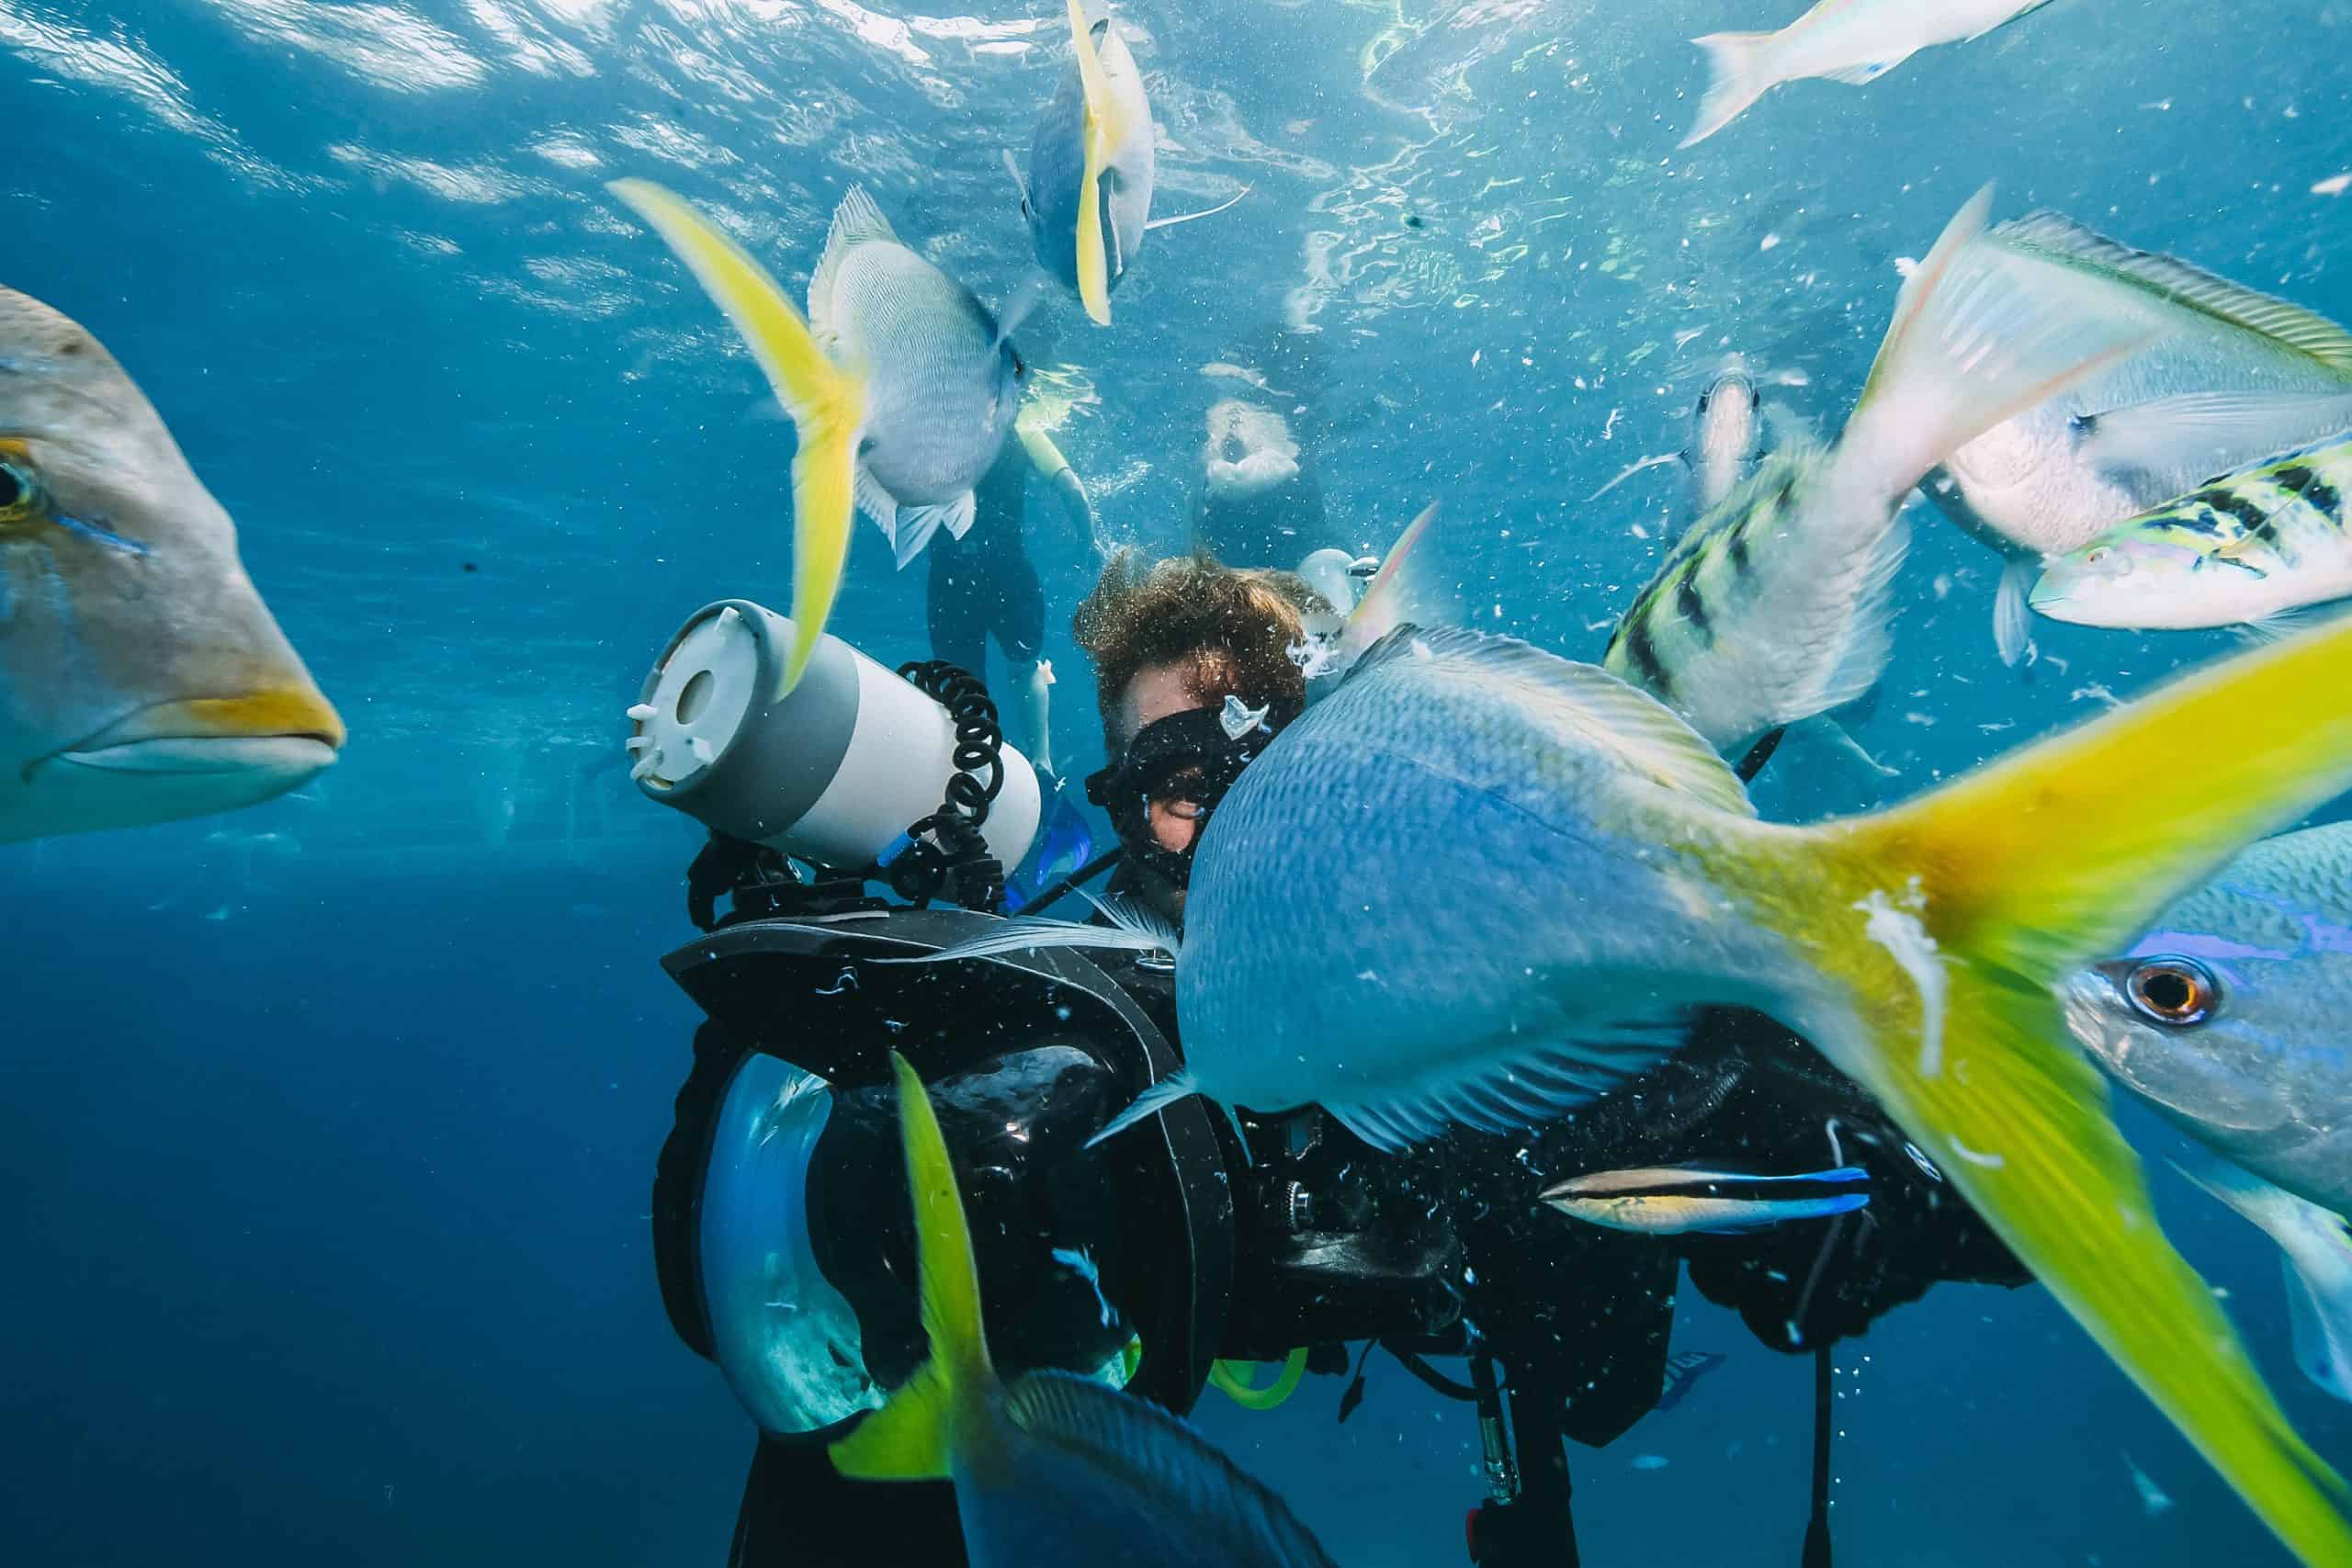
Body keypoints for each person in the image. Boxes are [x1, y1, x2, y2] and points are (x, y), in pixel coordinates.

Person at [648, 548, 2028, 1568]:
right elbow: (726, 1278)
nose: (1182, 839)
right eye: (1146, 793)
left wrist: (1793, 1128)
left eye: (1208, 782)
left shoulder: (1469, 950)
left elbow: (1612, 1371)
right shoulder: (1102, 953)